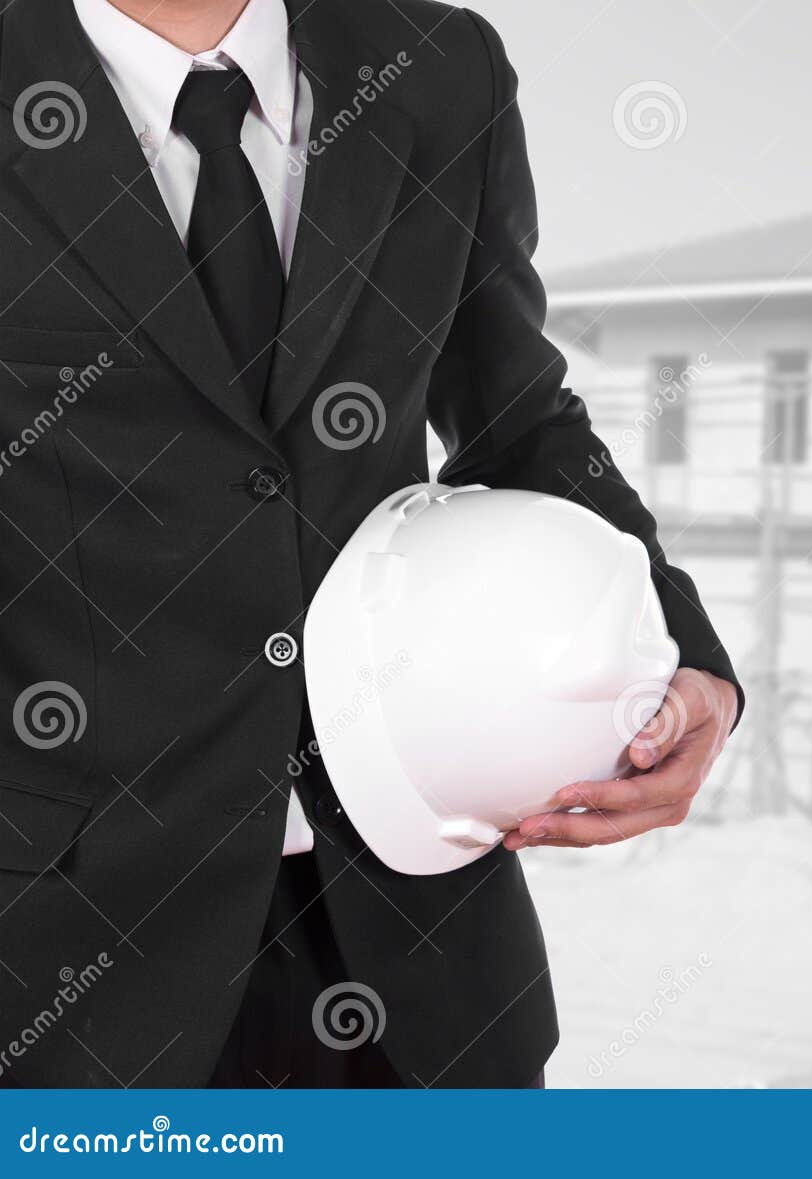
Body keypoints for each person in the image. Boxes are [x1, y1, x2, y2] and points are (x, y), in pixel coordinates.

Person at [0, 0, 740, 1088]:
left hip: (420, 948)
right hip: (65, 956)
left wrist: (685, 655)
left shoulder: (440, 68)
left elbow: (518, 424)